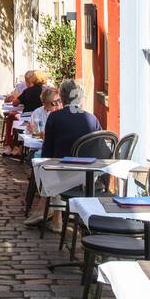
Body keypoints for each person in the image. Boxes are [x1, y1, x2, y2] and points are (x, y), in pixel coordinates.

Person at [26, 80, 102, 228]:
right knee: (55, 169)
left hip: (61, 172)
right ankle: (54, 216)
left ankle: (55, 216)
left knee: (48, 168)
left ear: (62, 97)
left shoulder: (55, 117)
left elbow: (47, 150)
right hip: (87, 175)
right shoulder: (92, 119)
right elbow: (101, 147)